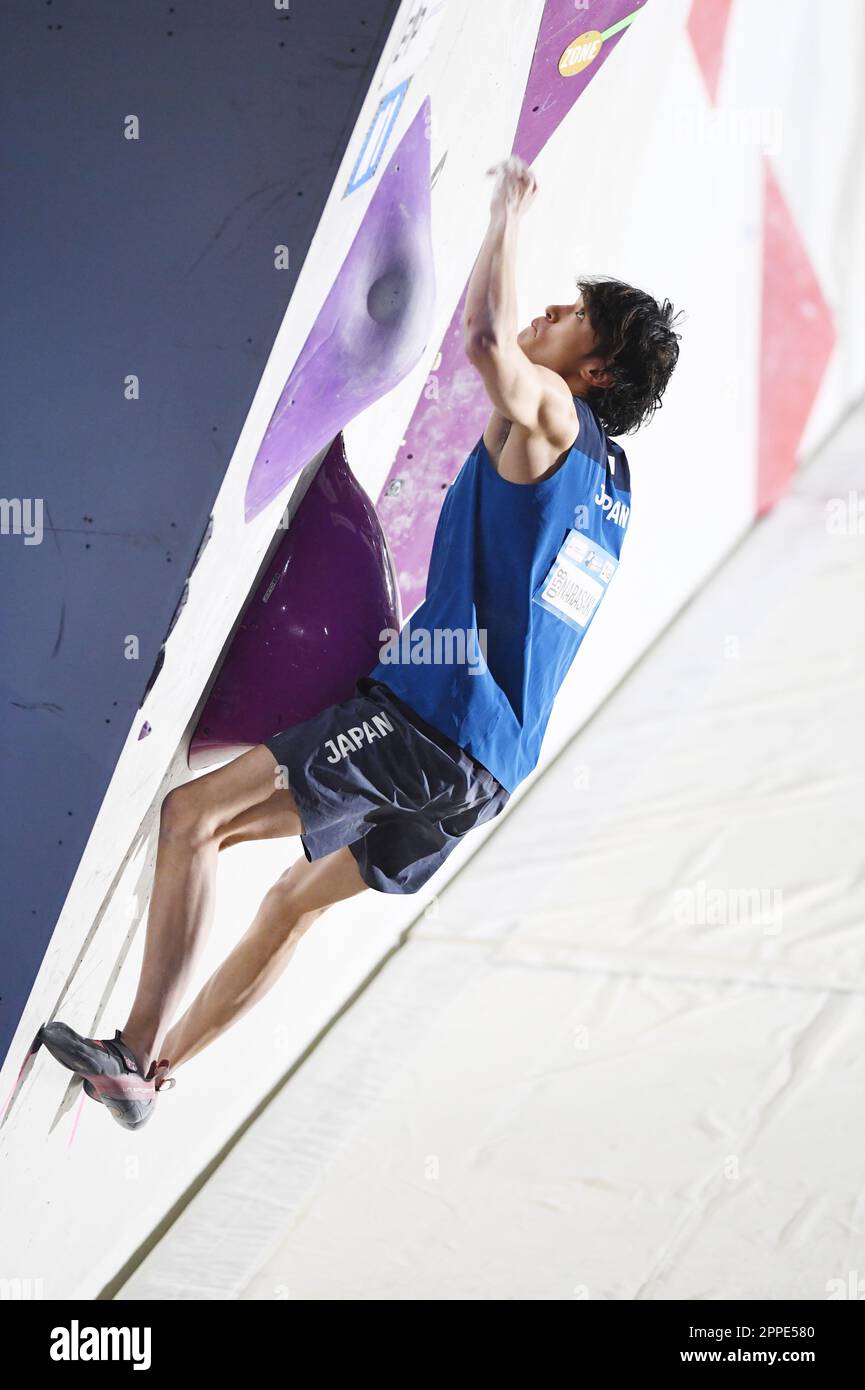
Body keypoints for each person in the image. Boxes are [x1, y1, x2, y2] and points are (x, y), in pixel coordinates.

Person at [40, 156, 681, 1128]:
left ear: (595, 371)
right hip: (487, 771)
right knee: (293, 900)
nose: (546, 313)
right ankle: (158, 1071)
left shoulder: (559, 417)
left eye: (569, 314)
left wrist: (505, 215)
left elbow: (482, 342)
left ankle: (130, 1050)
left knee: (190, 818)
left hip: (430, 722)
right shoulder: (613, 484)